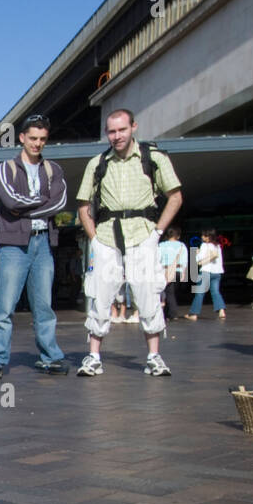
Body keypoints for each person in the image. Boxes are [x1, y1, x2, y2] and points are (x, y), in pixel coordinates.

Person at [74, 109, 183, 377]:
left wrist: (157, 232)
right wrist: (95, 239)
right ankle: (93, 356)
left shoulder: (153, 158)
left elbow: (175, 196)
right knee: (100, 297)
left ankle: (154, 357)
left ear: (133, 127)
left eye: (122, 129)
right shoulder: (98, 163)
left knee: (148, 296)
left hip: (142, 236)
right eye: (111, 131)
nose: (117, 136)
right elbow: (83, 204)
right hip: (107, 238)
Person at [0, 114, 70, 378]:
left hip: (42, 243)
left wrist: (26, 210)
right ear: (21, 137)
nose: (37, 144)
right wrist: (40, 204)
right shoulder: (5, 168)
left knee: (44, 306)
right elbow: (10, 202)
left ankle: (50, 357)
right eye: (33, 138)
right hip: (12, 245)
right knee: (5, 306)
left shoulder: (53, 170)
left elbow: (59, 203)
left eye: (42, 139)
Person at [185, 228, 225, 321]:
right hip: (217, 272)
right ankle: (221, 310)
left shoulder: (204, 245)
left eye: (204, 235)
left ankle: (194, 313)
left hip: (206, 271)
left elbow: (198, 260)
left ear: (208, 237)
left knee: (199, 293)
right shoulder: (218, 246)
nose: (202, 237)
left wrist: (197, 253)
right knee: (215, 292)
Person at [157, 226, 186, 321]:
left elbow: (158, 259)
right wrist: (184, 273)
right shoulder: (182, 246)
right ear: (177, 236)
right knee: (172, 292)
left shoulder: (162, 245)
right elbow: (185, 260)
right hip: (178, 271)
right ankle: (169, 313)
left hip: (166, 270)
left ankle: (172, 313)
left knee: (168, 292)